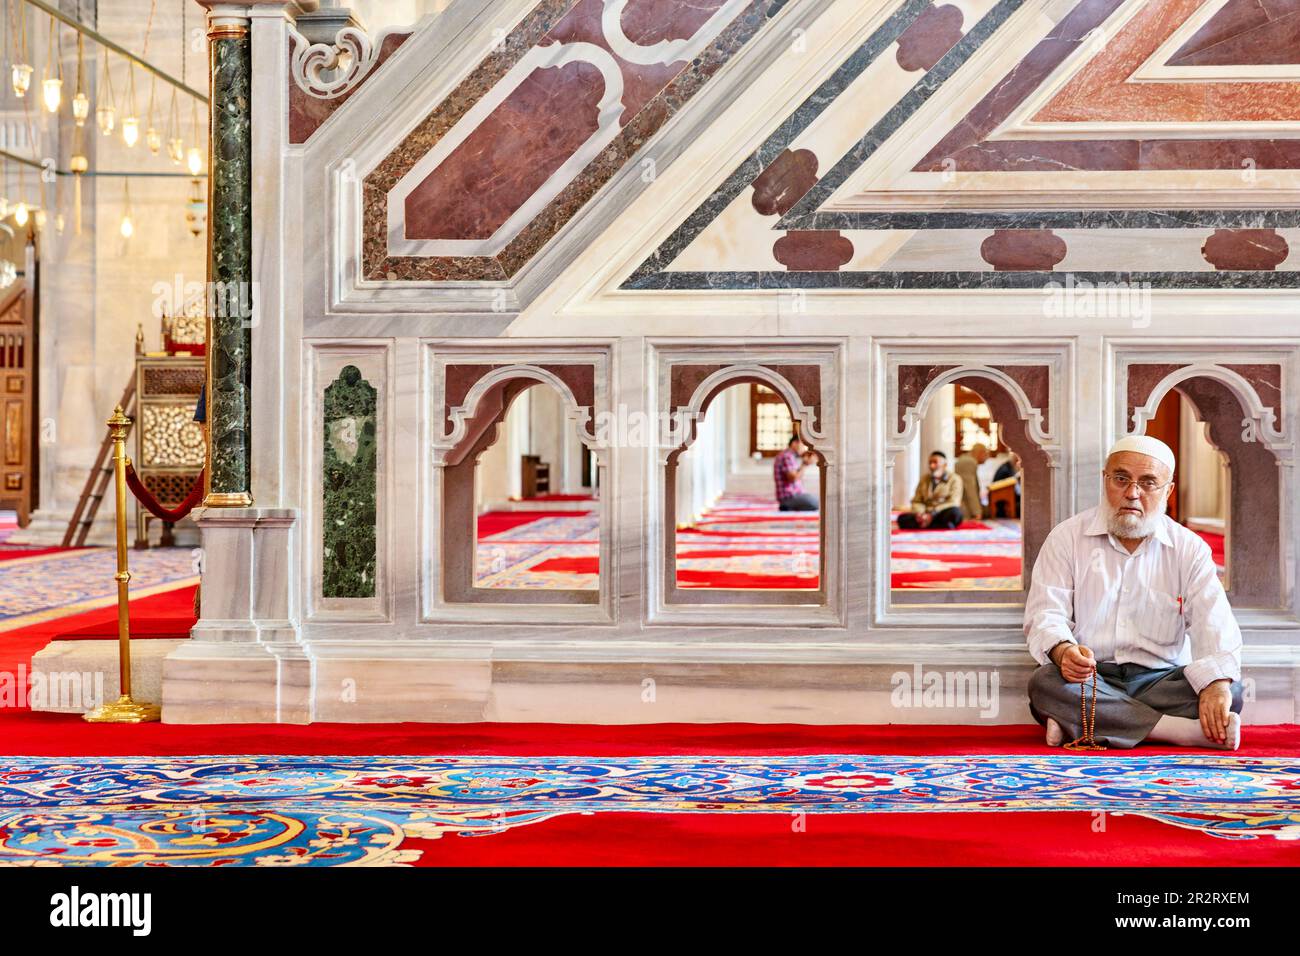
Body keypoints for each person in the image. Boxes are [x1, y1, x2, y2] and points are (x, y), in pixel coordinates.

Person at [1025, 435, 1243, 750]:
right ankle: (1178, 731)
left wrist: (1216, 684)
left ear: (1167, 490)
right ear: (1105, 480)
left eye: (1148, 483)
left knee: (1230, 693)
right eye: (1121, 479)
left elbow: (1214, 621)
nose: (1132, 493)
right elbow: (1046, 614)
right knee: (1045, 684)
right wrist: (1062, 652)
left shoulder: (1188, 548)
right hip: (1091, 678)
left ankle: (1084, 723)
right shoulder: (1066, 538)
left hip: (1161, 680)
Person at [897, 450, 964, 529]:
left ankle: (928, 524)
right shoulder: (924, 479)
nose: (932, 466)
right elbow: (916, 500)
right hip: (925, 513)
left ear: (945, 465)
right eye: (930, 463)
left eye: (935, 462)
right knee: (902, 519)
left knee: (956, 513)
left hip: (941, 513)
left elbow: (954, 502)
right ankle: (936, 525)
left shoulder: (955, 479)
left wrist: (932, 514)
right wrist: (920, 514)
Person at [773, 434, 818, 511]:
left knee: (819, 500)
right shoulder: (787, 456)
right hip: (789, 497)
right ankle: (788, 506)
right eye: (803, 445)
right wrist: (804, 464)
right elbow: (793, 478)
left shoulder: (789, 455)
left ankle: (790, 507)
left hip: (793, 495)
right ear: (794, 443)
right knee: (819, 502)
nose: (804, 449)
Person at [953, 443, 989, 520]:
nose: (987, 458)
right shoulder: (968, 462)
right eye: (986, 454)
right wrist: (976, 511)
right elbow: (970, 489)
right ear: (980, 453)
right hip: (965, 508)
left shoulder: (967, 460)